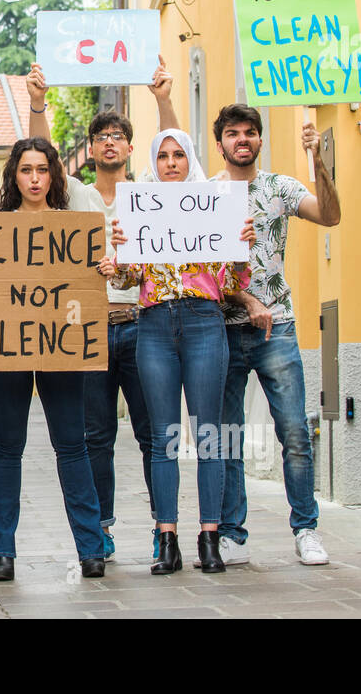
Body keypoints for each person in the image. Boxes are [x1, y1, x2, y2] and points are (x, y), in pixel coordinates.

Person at [26, 61, 181, 560]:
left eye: (118, 136)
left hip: (146, 326)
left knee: (154, 433)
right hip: (88, 326)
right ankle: (103, 529)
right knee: (96, 436)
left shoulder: (152, 195)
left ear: (131, 148)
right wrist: (37, 103)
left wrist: (162, 99)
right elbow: (43, 153)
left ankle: (166, 529)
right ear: (91, 149)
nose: (109, 142)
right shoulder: (74, 194)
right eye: (101, 137)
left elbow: (182, 162)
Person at [0, 137, 107, 581]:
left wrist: (101, 270)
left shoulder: (76, 227)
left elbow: (85, 278)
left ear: (54, 175)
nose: (35, 178)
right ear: (13, 176)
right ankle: (2, 551)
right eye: (26, 170)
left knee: (72, 444)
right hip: (8, 346)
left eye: (42, 169)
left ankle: (91, 548)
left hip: (61, 344)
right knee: (6, 447)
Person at [105, 130, 253, 575]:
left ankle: (210, 536)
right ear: (155, 162)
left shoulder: (215, 208)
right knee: (163, 437)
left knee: (209, 432)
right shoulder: (141, 207)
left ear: (190, 161)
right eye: (164, 156)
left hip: (204, 322)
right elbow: (129, 279)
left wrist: (241, 249)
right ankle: (166, 537)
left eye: (179, 155)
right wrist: (119, 254)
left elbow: (232, 284)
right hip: (152, 324)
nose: (171, 163)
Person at [212, 104, 341, 567]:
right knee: (226, 436)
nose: (241, 139)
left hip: (278, 328)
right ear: (221, 142)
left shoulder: (280, 187)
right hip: (221, 330)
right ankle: (232, 533)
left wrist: (318, 160)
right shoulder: (205, 196)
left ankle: (306, 529)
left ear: (260, 140)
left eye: (249, 132)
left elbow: (329, 216)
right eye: (232, 133)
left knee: (295, 433)